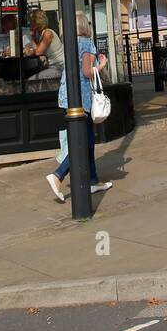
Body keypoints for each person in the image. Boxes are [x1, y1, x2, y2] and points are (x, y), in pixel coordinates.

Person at [46, 13, 112, 202]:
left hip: (66, 95)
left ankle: (92, 181)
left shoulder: (70, 43)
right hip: (81, 99)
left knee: (88, 141)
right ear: (85, 25)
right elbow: (87, 72)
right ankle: (58, 175)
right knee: (82, 142)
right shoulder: (86, 42)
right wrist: (102, 65)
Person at [24, 8, 64, 82]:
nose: (30, 24)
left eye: (31, 22)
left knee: (31, 81)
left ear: (37, 22)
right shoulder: (40, 34)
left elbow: (38, 52)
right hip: (52, 67)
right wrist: (32, 37)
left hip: (59, 68)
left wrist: (30, 51)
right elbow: (37, 49)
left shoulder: (47, 33)